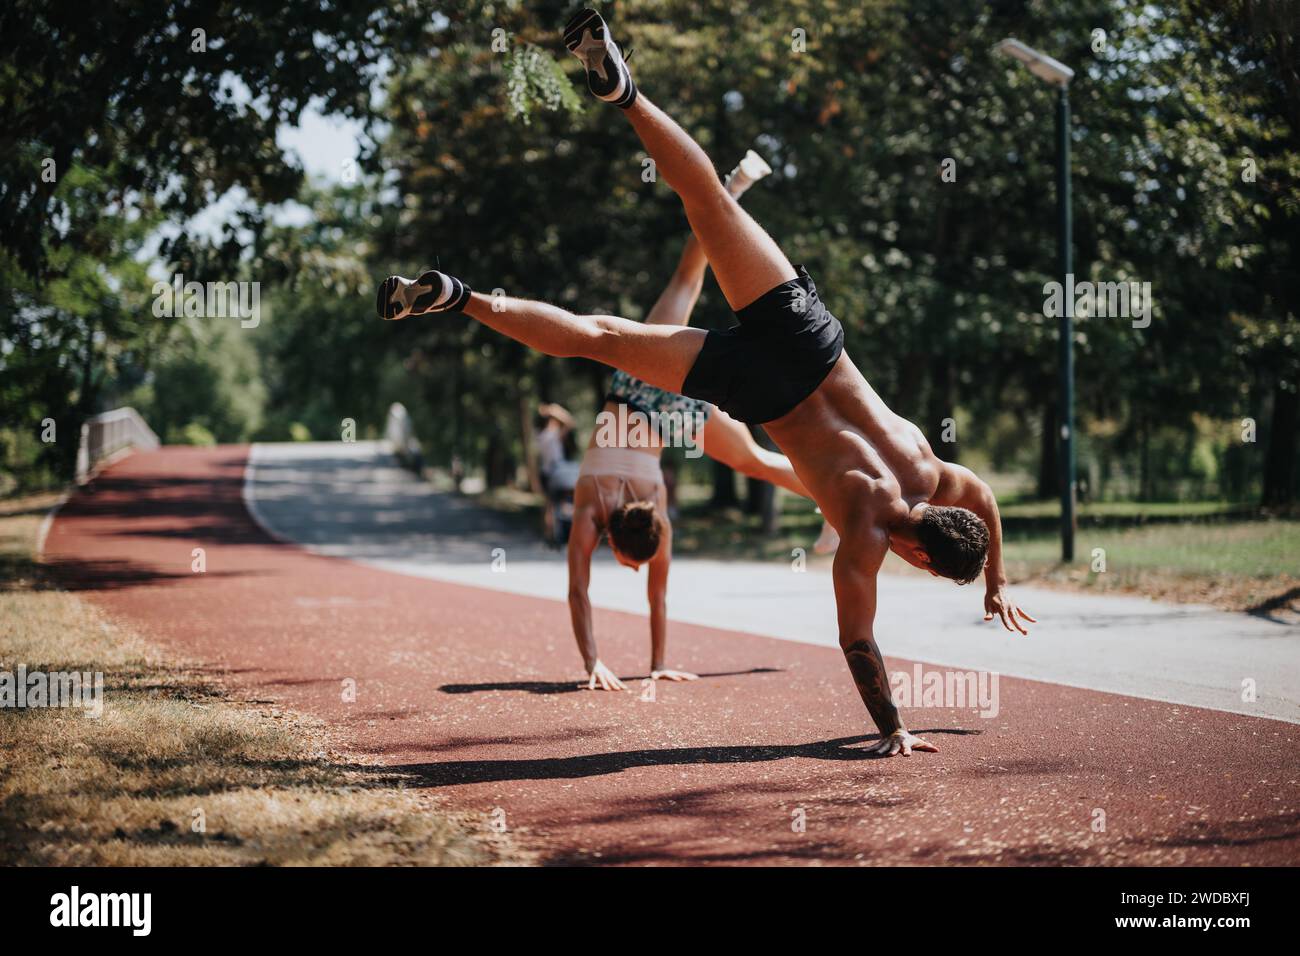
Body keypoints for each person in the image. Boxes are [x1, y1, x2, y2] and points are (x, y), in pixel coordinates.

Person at [376, 10, 1035, 757]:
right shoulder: (865, 532)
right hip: (760, 390)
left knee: (712, 206)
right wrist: (895, 727)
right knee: (600, 338)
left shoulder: (932, 469)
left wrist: (998, 580)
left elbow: (982, 497)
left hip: (809, 341)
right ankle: (460, 297)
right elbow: (858, 642)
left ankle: (623, 91)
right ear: (919, 556)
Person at [568, 150, 822, 691]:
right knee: (688, 278)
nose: (631, 569)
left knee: (756, 461)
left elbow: (608, 592)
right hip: (638, 393)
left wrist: (594, 661)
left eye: (626, 562)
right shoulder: (608, 509)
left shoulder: (642, 514)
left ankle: (837, 502)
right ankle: (730, 186)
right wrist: (650, 663)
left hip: (662, 410)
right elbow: (592, 590)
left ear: (621, 541)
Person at [534, 402, 580, 544]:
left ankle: (549, 534)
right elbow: (570, 422)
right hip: (558, 472)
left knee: (549, 505)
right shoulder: (553, 436)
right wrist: (554, 410)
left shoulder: (539, 436)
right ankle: (562, 532)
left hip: (545, 472)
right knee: (564, 501)